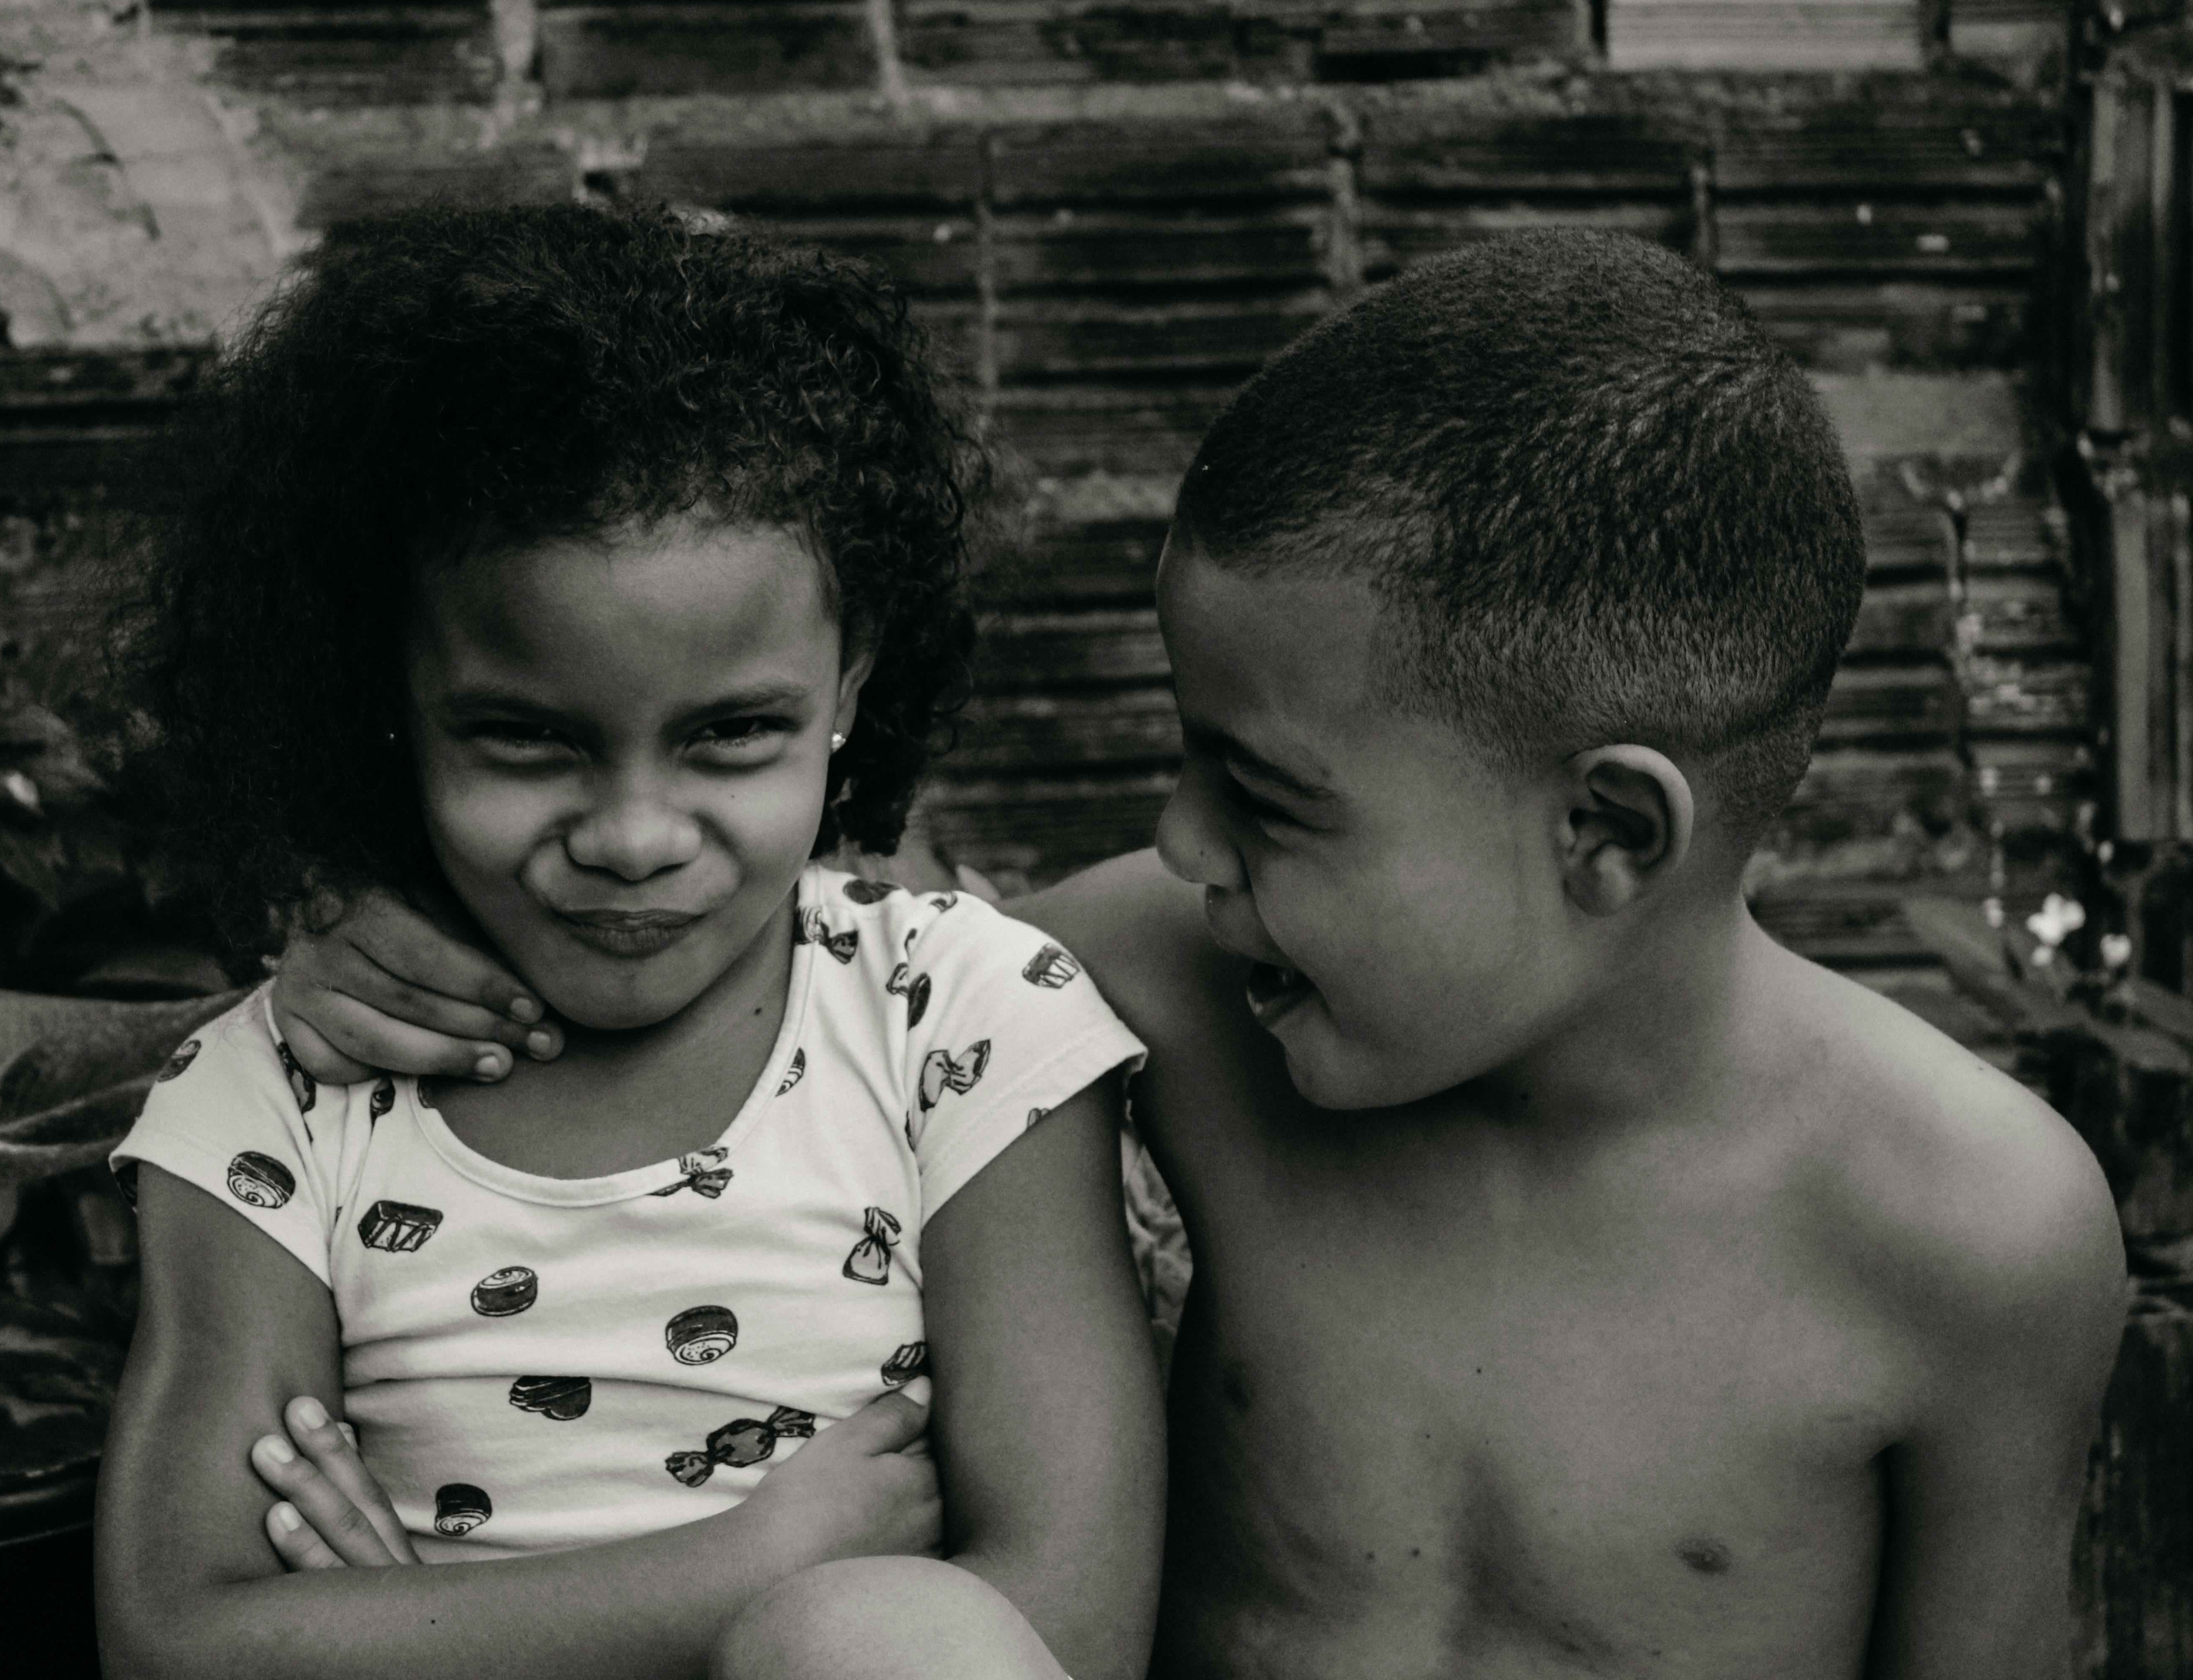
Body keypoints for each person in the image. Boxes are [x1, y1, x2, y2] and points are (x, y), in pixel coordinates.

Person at [266, 230, 2130, 1678]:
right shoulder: (1157, 981)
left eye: (1262, 794)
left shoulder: (1967, 1226)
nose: (1172, 840)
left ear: (1609, 832)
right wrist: (392, 943)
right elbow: (733, 945)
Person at [93, 201, 1163, 1680]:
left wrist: (410, 1641)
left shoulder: (955, 1025)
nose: (635, 834)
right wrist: (745, 1566)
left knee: (879, 1636)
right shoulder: (281, 1097)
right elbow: (179, 1642)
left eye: (733, 733)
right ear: (390, 701)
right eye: (528, 739)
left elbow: (1066, 1627)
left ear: (847, 688)